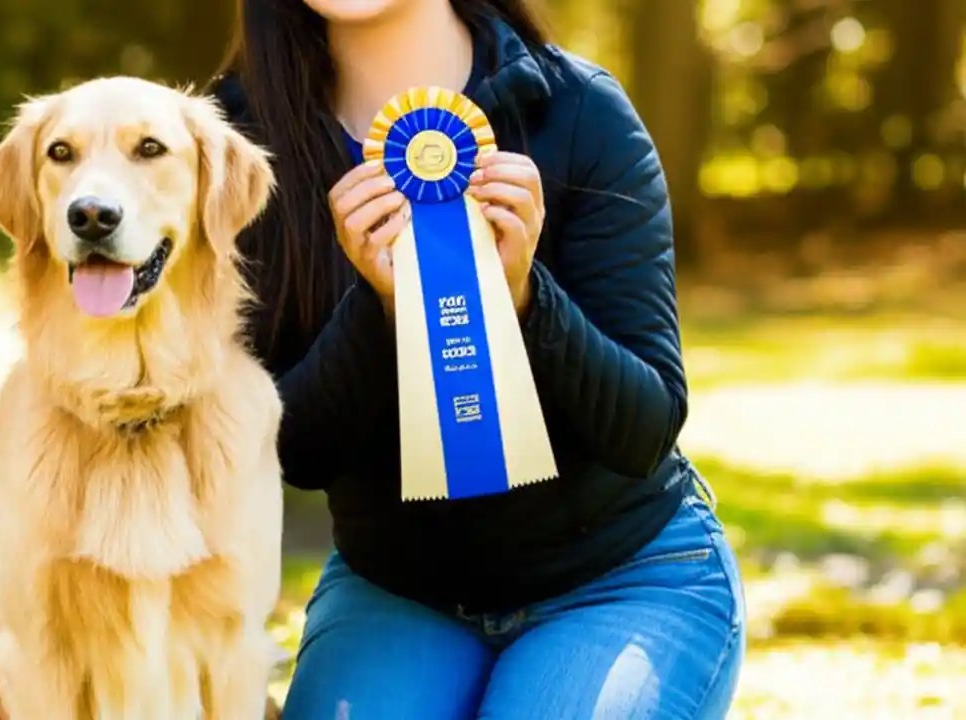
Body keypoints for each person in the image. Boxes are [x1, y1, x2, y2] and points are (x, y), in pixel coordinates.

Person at [211, 1, 745, 717]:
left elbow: (643, 429)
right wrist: (380, 307)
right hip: (395, 593)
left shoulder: (578, 111)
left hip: (621, 578)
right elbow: (291, 454)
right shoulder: (232, 152)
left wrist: (525, 294)